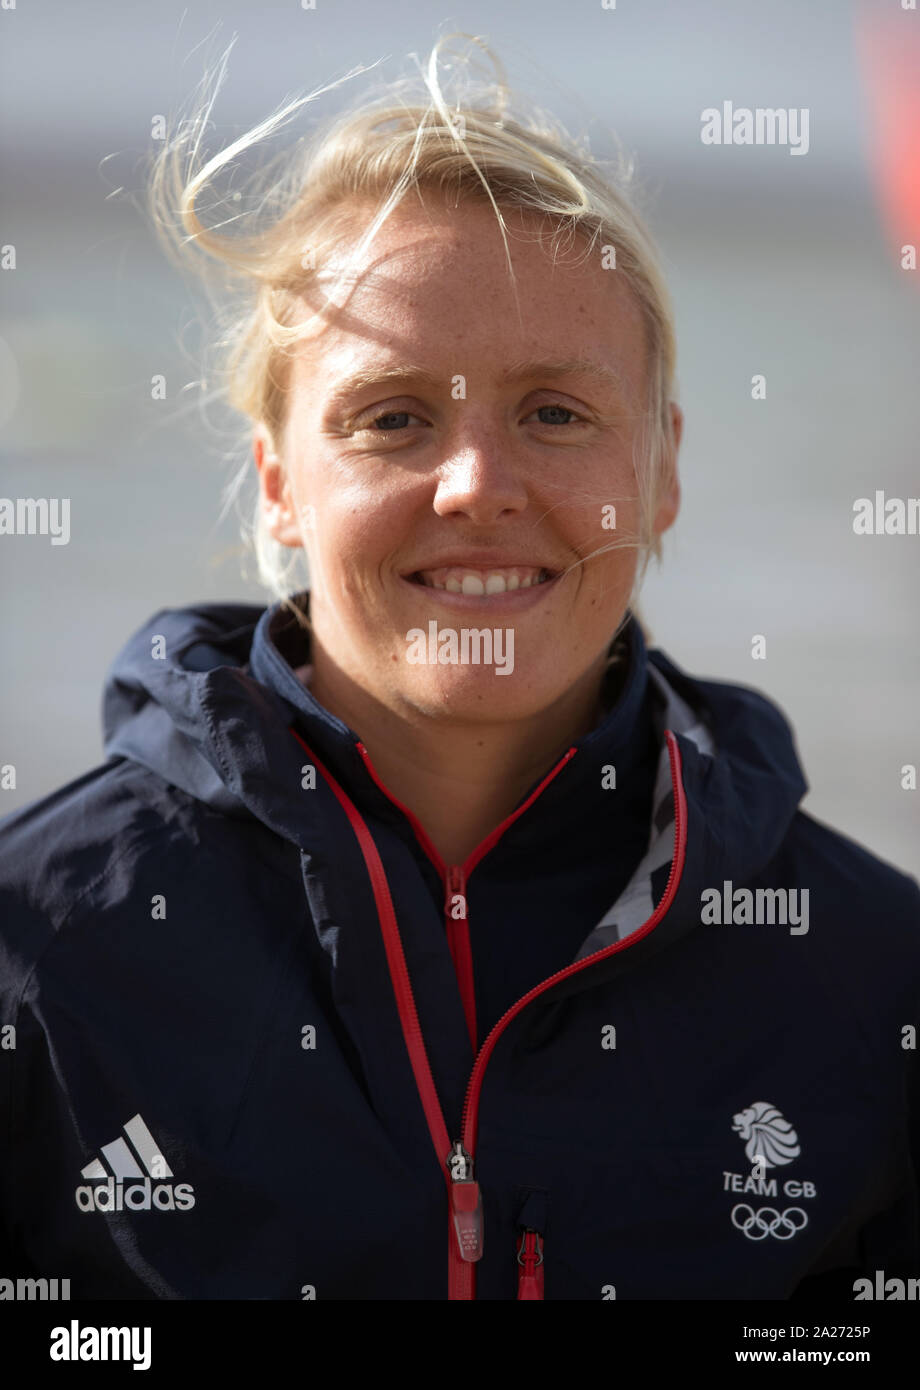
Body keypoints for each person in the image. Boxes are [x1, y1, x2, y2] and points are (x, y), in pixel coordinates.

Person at [1, 34, 918, 1302]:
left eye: (554, 411)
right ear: (279, 482)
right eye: (392, 418)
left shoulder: (876, 975)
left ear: (659, 470)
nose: (478, 483)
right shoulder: (35, 953)